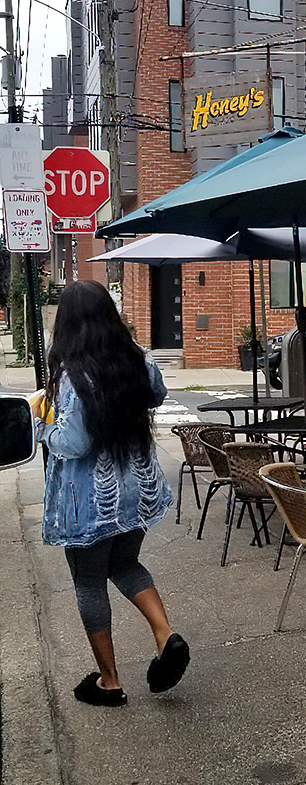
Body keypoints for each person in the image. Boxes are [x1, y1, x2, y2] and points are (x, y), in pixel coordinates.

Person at [35, 280, 189, 708]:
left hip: (92, 501)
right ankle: (166, 636)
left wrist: (42, 425)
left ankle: (109, 682)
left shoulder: (72, 374)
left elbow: (74, 442)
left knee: (88, 581)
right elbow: (157, 394)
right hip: (136, 491)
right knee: (125, 563)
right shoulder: (136, 358)